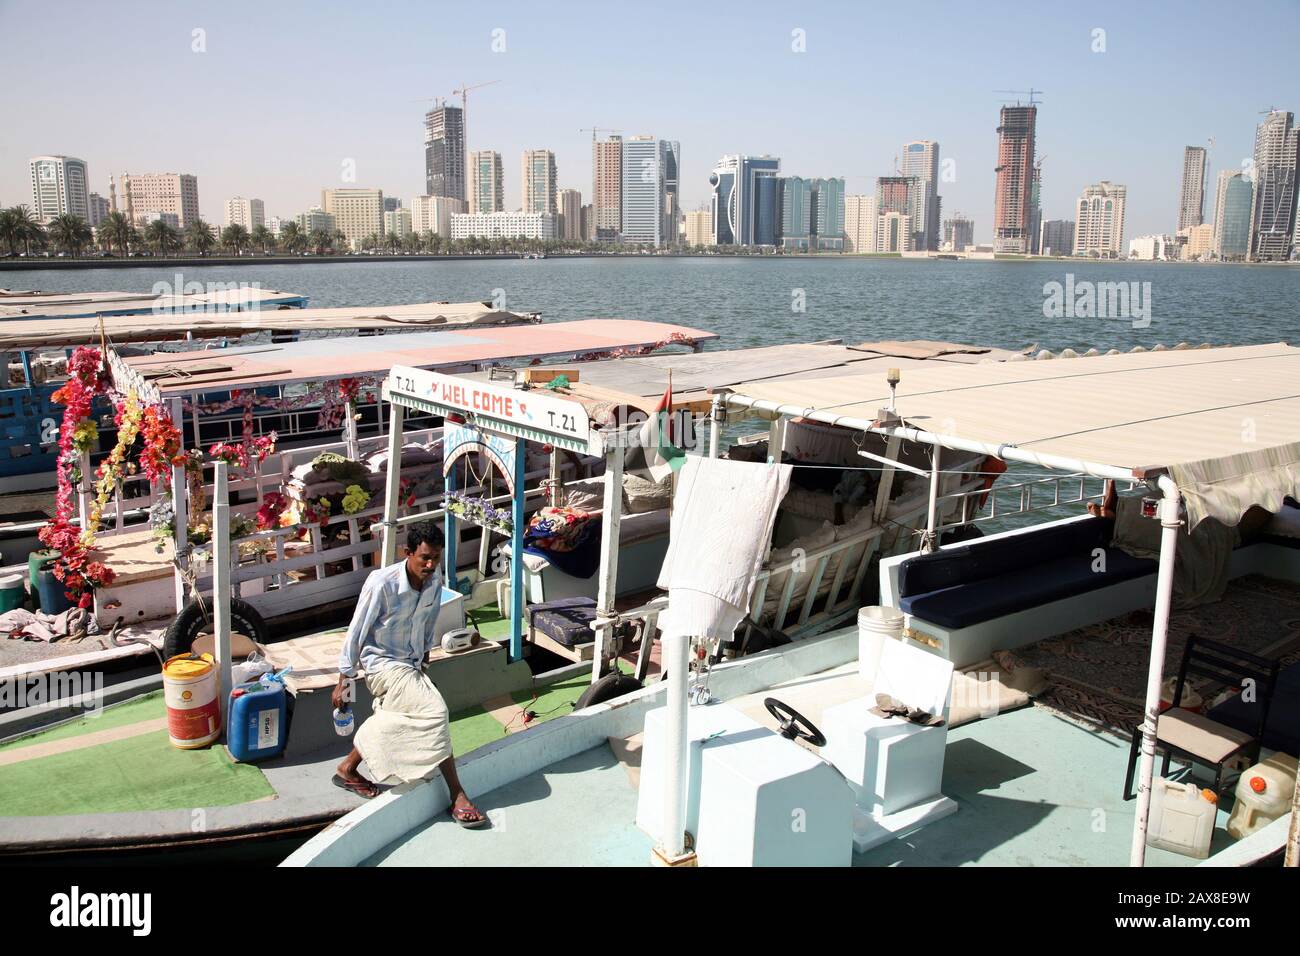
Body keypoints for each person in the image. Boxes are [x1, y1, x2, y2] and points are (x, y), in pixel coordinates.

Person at [331, 520, 485, 827]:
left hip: (411, 665)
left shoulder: (435, 579)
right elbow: (357, 630)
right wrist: (344, 681)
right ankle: (457, 795)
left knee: (400, 715)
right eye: (424, 558)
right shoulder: (382, 583)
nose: (430, 565)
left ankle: (347, 769)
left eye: (435, 558)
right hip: (382, 664)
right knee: (435, 711)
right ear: (408, 553)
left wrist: (424, 662)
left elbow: (428, 621)